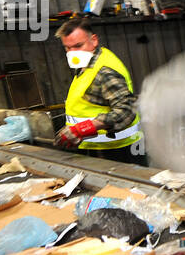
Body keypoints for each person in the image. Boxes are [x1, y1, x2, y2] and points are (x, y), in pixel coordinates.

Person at [54, 17, 146, 165]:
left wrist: (81, 130)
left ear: (94, 40)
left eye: (78, 45)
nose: (72, 53)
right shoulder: (88, 62)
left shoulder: (105, 71)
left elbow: (126, 112)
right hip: (97, 149)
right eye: (67, 48)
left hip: (118, 153)